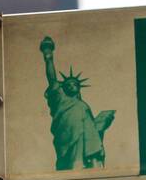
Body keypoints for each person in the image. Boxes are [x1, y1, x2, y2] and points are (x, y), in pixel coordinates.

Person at [39, 35, 115, 171]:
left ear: (79, 88)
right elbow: (52, 79)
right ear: (63, 88)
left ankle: (89, 164)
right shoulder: (60, 98)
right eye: (67, 84)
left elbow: (92, 131)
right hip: (66, 133)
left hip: (85, 141)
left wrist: (102, 122)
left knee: (84, 161)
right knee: (71, 162)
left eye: (74, 84)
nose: (71, 86)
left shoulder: (83, 106)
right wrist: (48, 56)